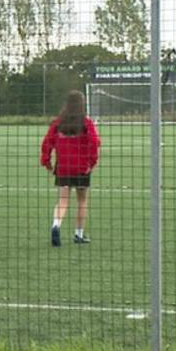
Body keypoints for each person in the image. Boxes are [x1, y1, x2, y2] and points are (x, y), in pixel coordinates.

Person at [40, 90, 102, 247]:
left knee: (62, 200)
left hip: (63, 168)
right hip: (81, 168)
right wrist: (92, 162)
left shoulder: (58, 123)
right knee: (82, 200)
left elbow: (47, 142)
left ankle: (56, 226)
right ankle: (79, 234)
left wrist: (46, 161)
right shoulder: (86, 123)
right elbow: (94, 142)